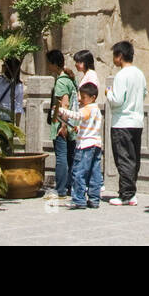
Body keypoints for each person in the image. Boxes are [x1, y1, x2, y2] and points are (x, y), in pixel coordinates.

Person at [106, 40, 146, 206]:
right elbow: (143, 94)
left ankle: (126, 194)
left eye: (114, 55)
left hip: (122, 121)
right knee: (133, 158)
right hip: (137, 121)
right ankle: (131, 192)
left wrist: (108, 93)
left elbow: (117, 100)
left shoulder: (121, 75)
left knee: (123, 158)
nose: (113, 59)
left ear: (120, 56)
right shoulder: (139, 74)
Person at [56, 82, 103, 209]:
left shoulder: (87, 108)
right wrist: (78, 128)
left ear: (93, 97)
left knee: (79, 172)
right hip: (96, 144)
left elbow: (78, 115)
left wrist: (62, 110)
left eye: (83, 97)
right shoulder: (96, 109)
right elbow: (89, 125)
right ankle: (94, 199)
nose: (80, 99)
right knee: (95, 173)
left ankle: (79, 199)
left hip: (85, 146)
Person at [43, 49, 77, 201]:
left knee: (61, 157)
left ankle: (61, 188)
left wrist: (62, 126)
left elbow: (64, 104)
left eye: (49, 63)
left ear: (54, 63)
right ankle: (69, 186)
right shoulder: (70, 79)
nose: (48, 66)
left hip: (62, 124)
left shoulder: (62, 81)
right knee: (70, 156)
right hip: (72, 124)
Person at [0, 57, 24, 123]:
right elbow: (18, 109)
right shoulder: (18, 85)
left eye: (4, 65)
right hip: (4, 119)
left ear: (8, 68)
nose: (2, 66)